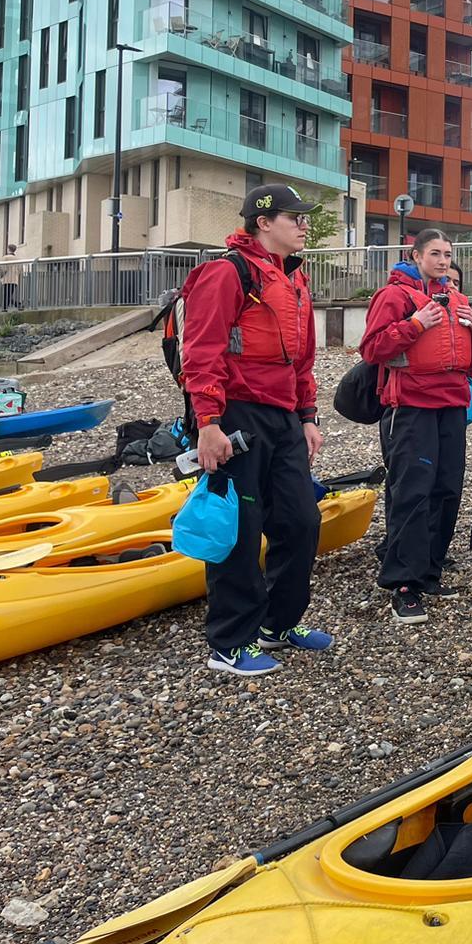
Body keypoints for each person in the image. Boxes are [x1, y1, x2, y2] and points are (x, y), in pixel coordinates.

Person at [182, 184, 329, 676]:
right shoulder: (227, 274)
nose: (305, 224)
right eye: (295, 217)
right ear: (263, 222)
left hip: (283, 417)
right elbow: (200, 353)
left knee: (301, 522)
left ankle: (278, 624)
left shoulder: (294, 280)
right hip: (237, 416)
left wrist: (307, 417)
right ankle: (229, 643)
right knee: (240, 532)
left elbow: (303, 359)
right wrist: (208, 423)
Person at [360, 230, 472, 625]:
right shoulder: (394, 297)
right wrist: (414, 324)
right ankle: (403, 584)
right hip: (411, 407)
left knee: (447, 489)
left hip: (451, 406)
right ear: (415, 255)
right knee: (412, 491)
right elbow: (371, 348)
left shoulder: (459, 301)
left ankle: (430, 570)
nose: (443, 260)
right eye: (435, 253)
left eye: (448, 254)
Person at [0, 244, 21, 311]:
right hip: (15, 279)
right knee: (9, 294)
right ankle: (17, 304)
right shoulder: (18, 259)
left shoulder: (5, 258)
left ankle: (5, 308)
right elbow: (20, 270)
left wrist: (1, 276)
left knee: (6, 294)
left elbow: (3, 269)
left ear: (8, 249)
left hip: (7, 279)